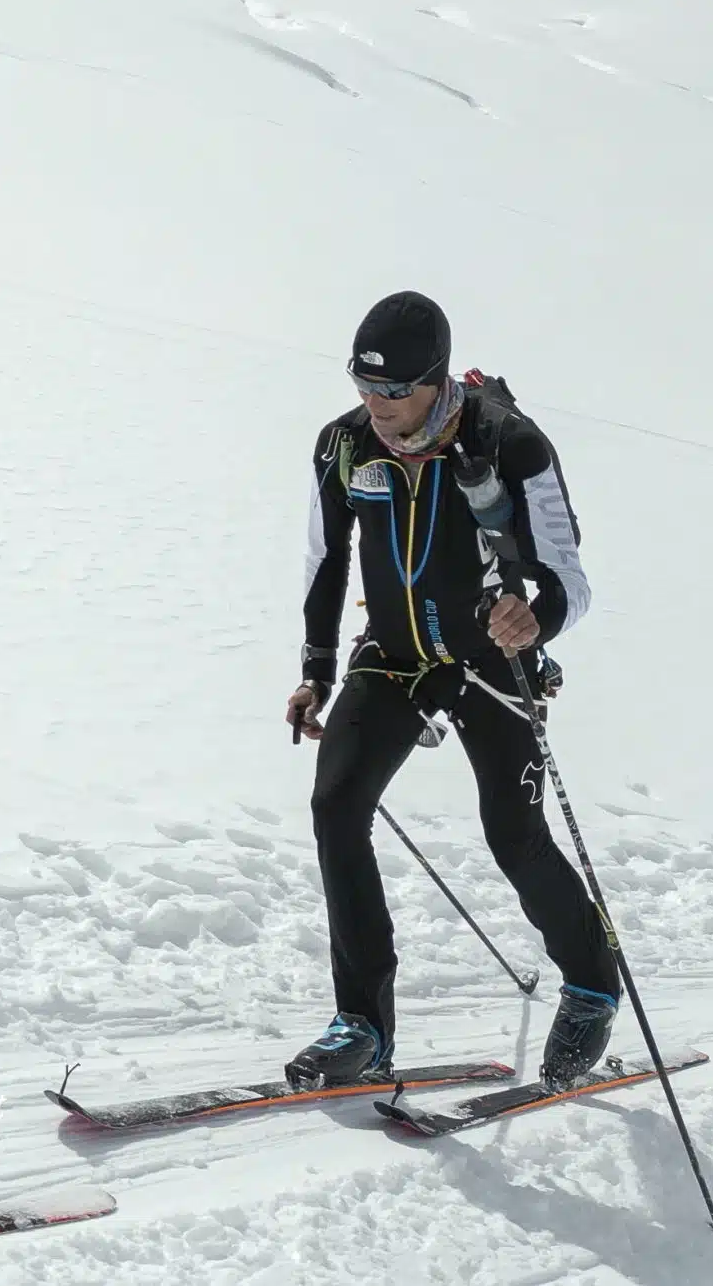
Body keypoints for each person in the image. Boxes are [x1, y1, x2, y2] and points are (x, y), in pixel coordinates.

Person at [282, 291, 620, 1090]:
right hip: (395, 653)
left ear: (436, 381)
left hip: (489, 658)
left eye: (396, 391)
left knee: (513, 832)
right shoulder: (343, 446)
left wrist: (534, 619)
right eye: (367, 388)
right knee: (336, 807)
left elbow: (570, 575)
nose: (379, 406)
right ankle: (362, 1023)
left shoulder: (512, 444)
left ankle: (593, 982)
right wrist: (316, 667)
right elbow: (326, 558)